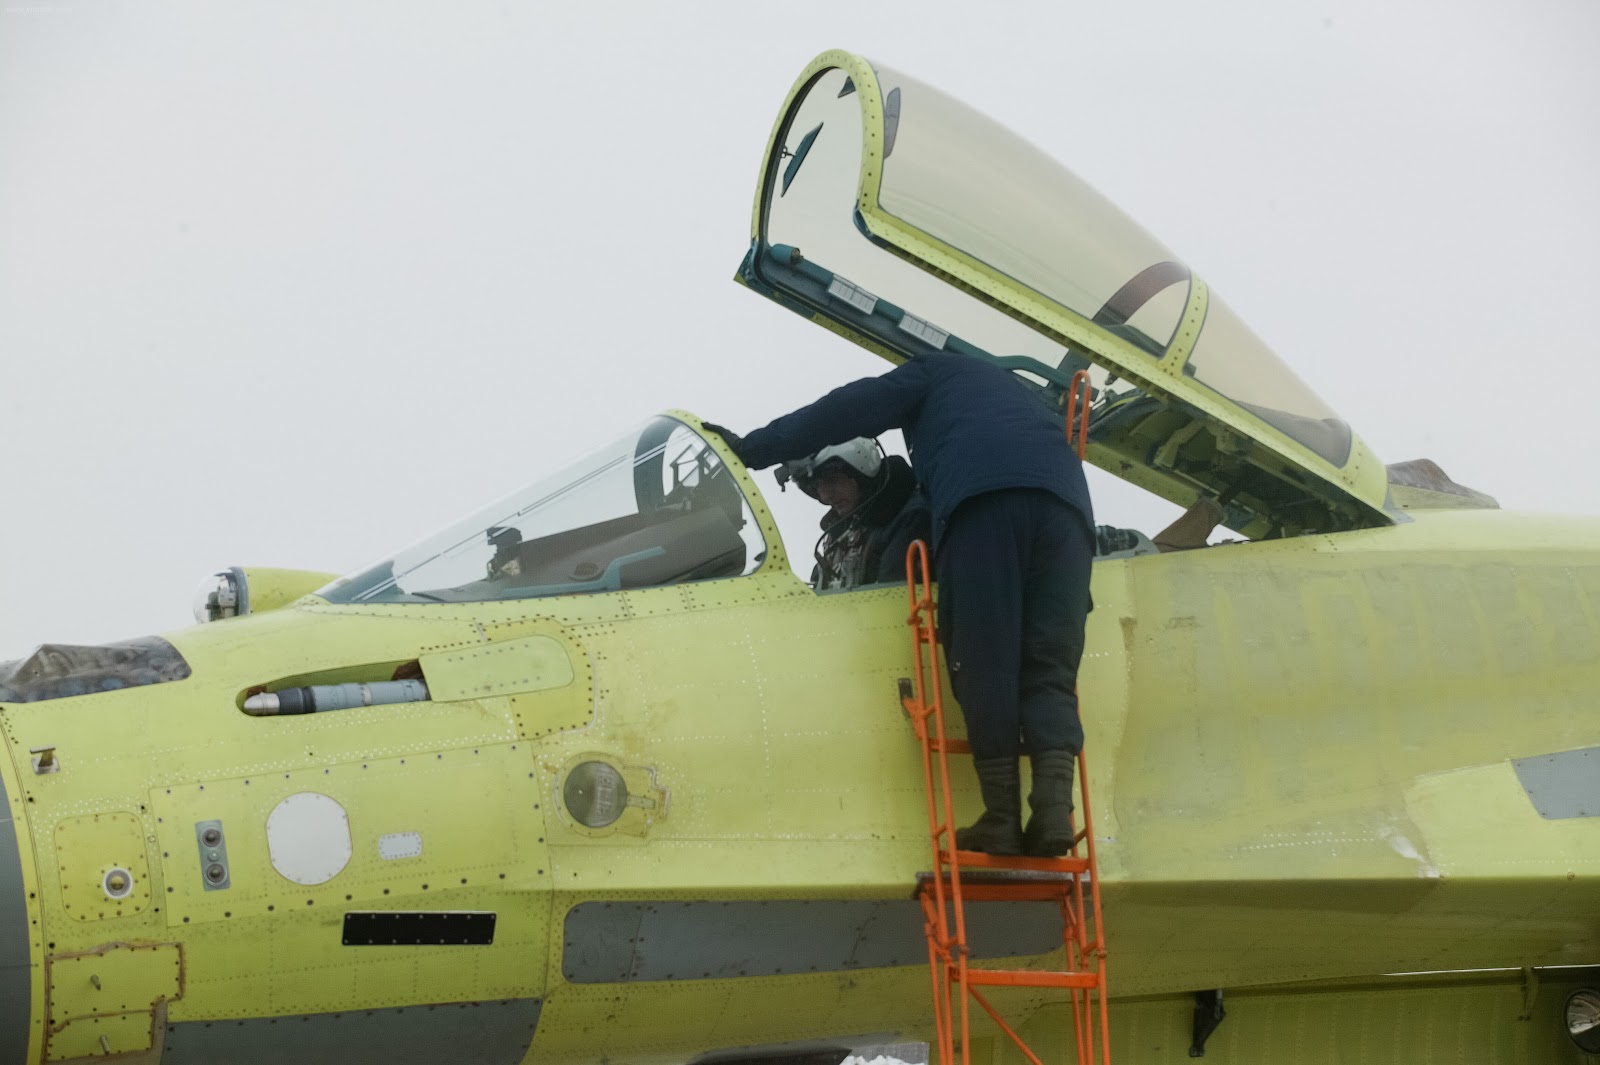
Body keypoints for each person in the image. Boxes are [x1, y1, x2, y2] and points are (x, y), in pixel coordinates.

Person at [704, 351, 1093, 857]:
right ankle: (1053, 811)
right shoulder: (1017, 398)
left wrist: (752, 449)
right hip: (1068, 513)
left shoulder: (936, 370)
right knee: (1049, 663)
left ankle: (1000, 817)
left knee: (984, 657)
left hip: (984, 501)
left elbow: (845, 409)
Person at [777, 437, 932, 590]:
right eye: (817, 486)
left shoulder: (911, 519)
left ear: (860, 476)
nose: (825, 496)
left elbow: (891, 596)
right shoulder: (841, 530)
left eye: (833, 480)